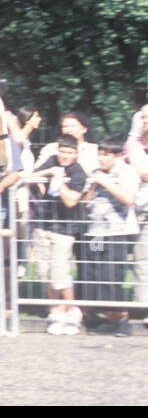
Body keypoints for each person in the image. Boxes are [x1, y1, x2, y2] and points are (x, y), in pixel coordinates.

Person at [23, 136, 91, 335]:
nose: (65, 156)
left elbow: (71, 201)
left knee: (60, 271)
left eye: (70, 152)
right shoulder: (52, 160)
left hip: (65, 228)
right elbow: (31, 176)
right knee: (44, 270)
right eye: (62, 151)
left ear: (76, 154)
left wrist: (59, 182)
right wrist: (49, 172)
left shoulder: (78, 172)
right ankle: (55, 310)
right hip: (44, 224)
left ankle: (71, 310)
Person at [84, 140, 139, 336]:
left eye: (106, 154)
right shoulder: (97, 172)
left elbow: (129, 199)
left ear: (116, 155)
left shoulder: (126, 172)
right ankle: (108, 319)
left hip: (117, 233)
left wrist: (104, 181)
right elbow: (87, 201)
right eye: (100, 154)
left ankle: (123, 320)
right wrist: (92, 187)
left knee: (112, 276)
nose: (101, 158)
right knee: (97, 275)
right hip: (96, 233)